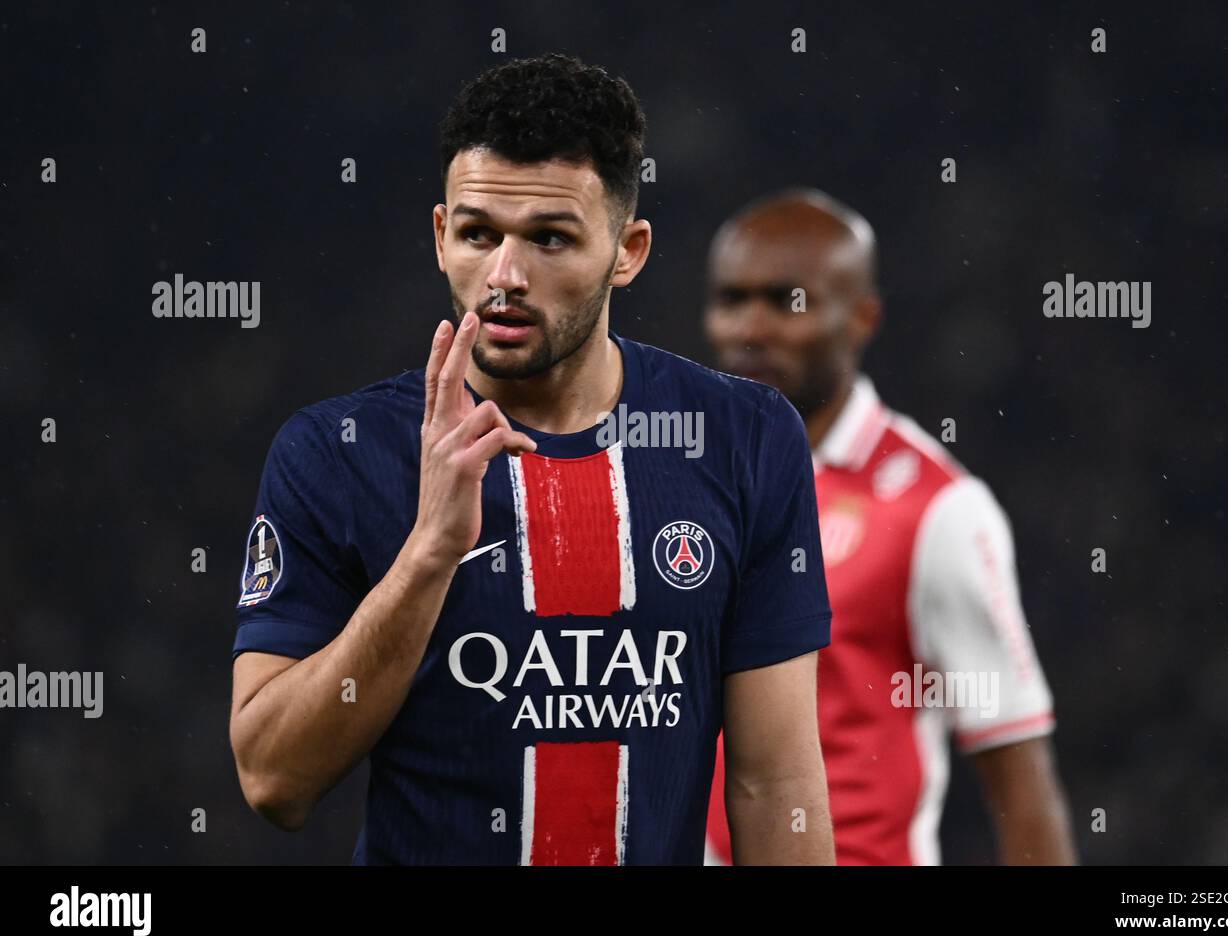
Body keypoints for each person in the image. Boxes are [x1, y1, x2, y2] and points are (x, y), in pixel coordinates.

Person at [227, 55, 834, 865]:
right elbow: (274, 780)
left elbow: (775, 784)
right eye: (479, 234)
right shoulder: (336, 452)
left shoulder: (743, 436)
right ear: (442, 238)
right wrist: (429, 554)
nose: (505, 277)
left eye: (550, 238)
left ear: (629, 250)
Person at [703, 188, 1076, 865]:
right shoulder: (694, 485)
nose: (750, 328)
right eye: (732, 300)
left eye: (787, 301)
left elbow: (1019, 777)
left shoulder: (935, 512)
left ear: (862, 318)